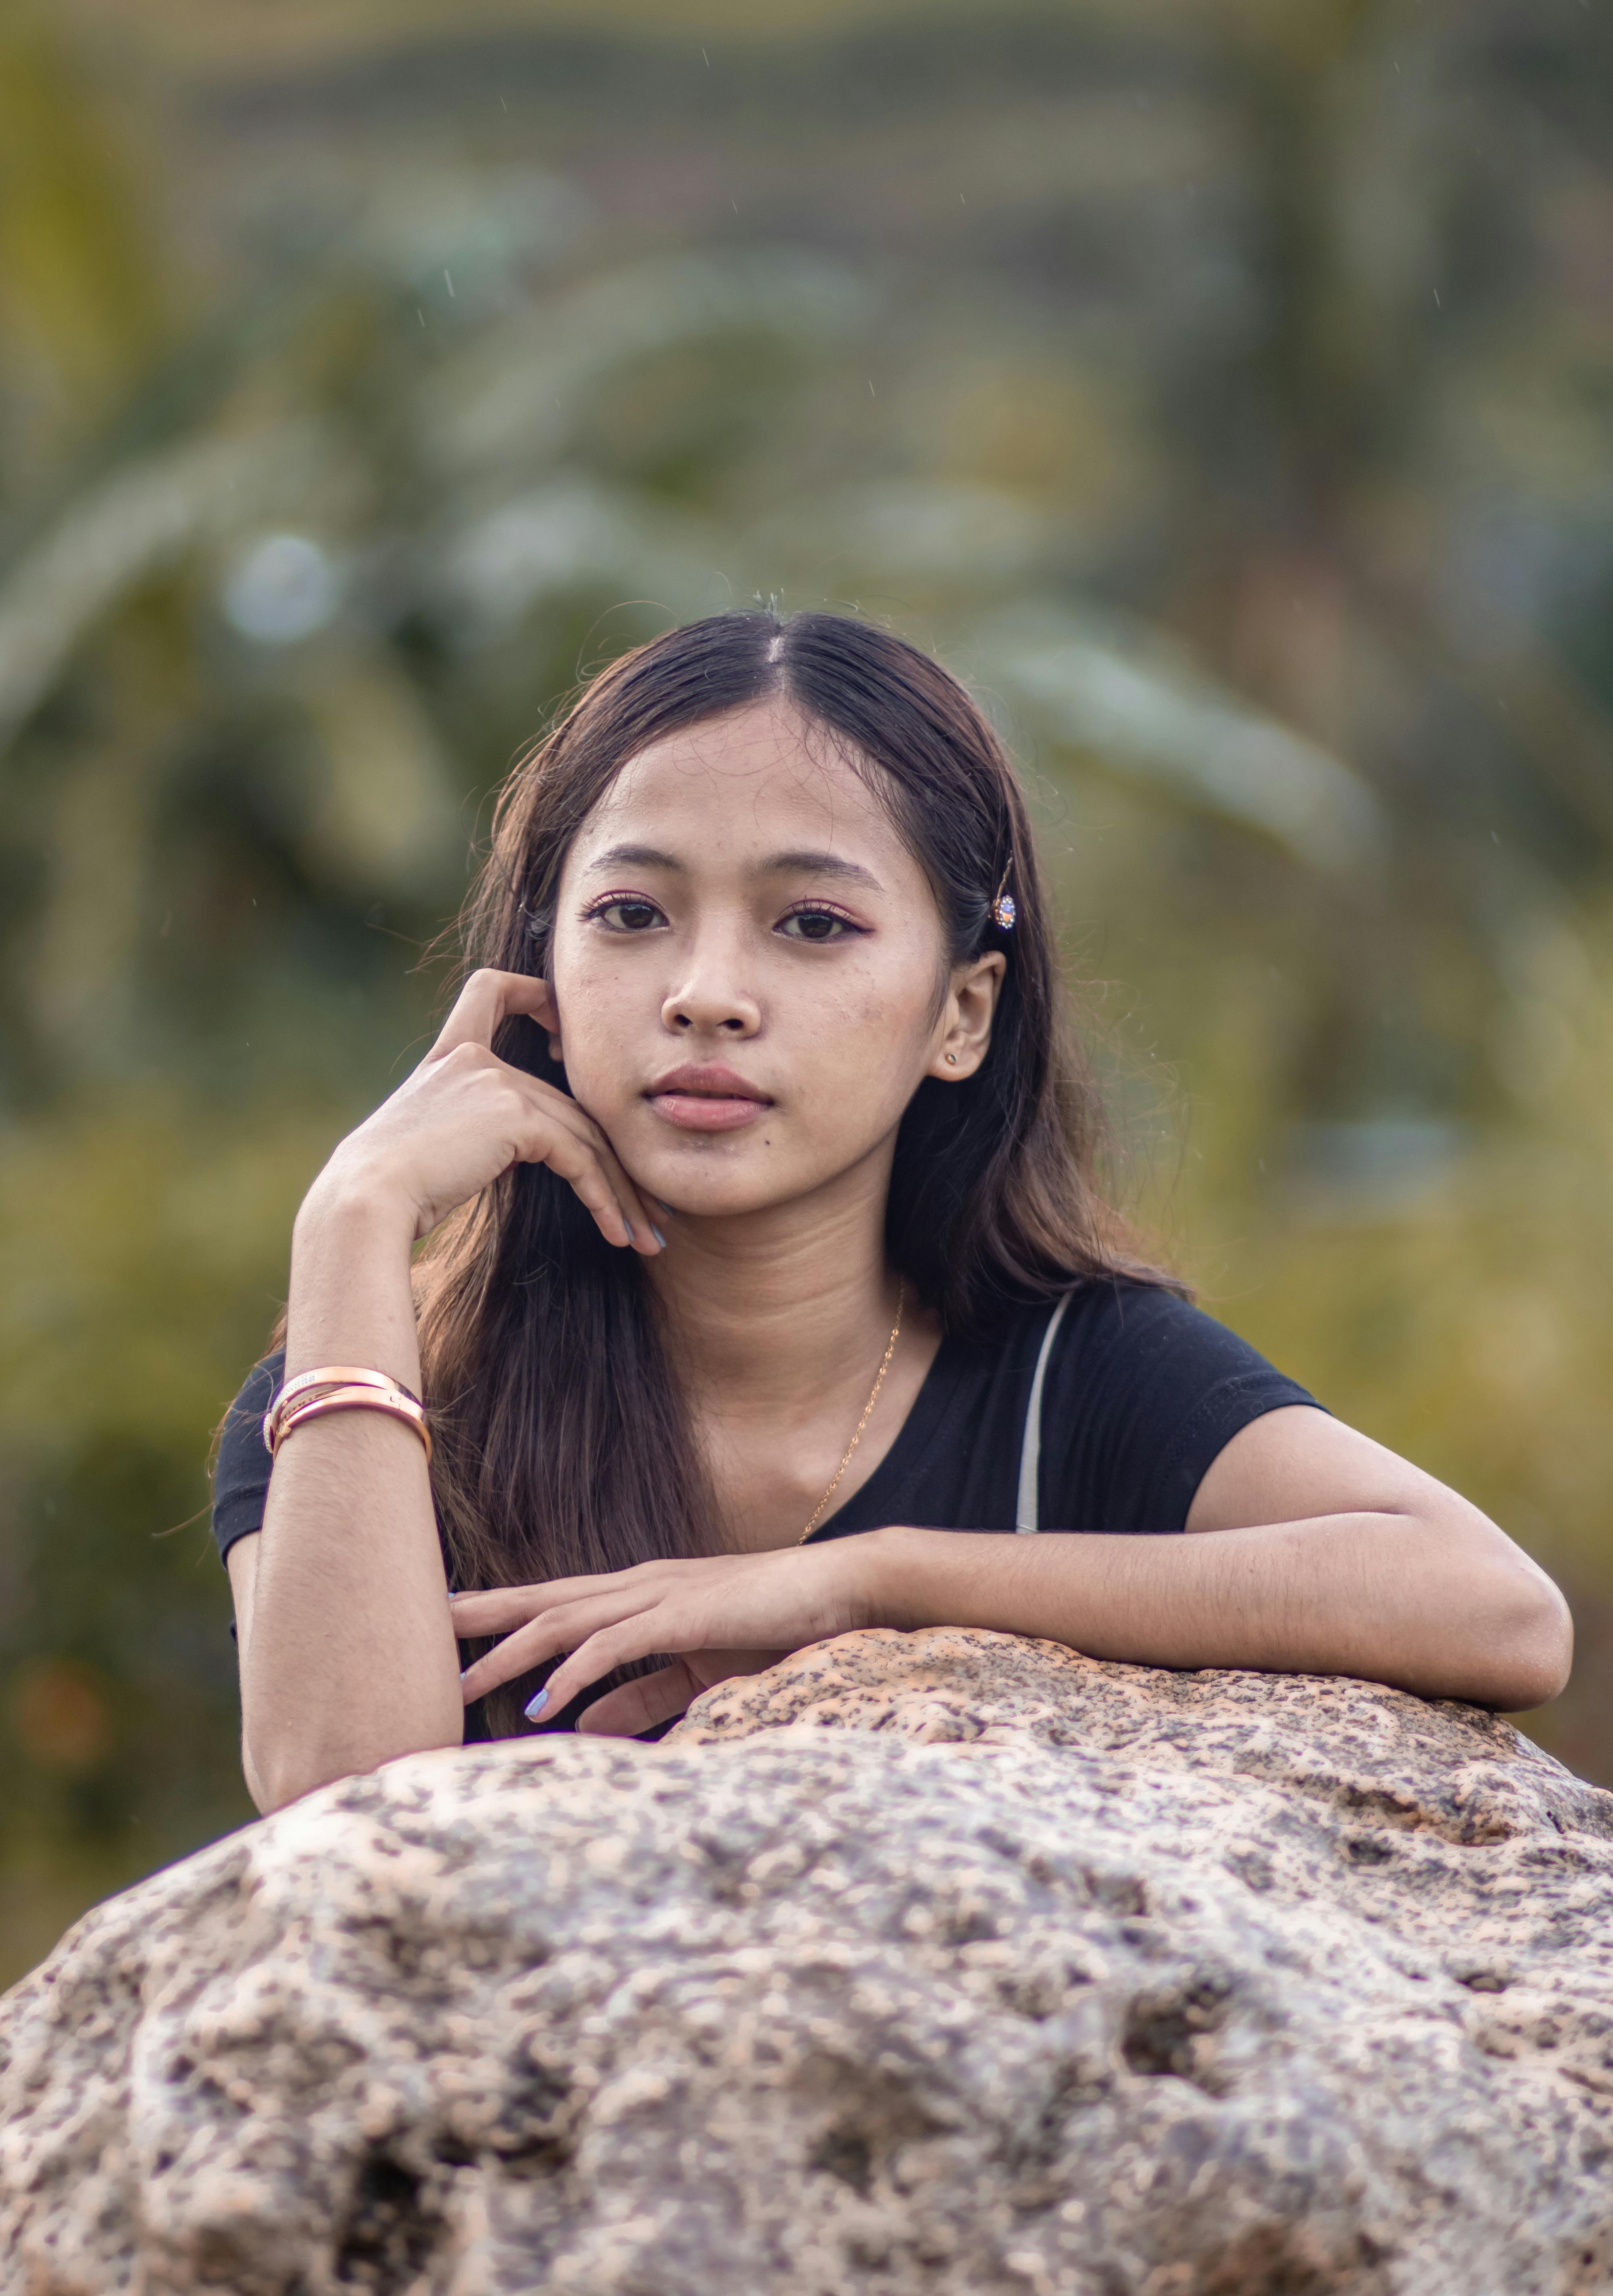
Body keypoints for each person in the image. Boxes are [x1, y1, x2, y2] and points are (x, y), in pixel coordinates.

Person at [213, 610, 1571, 1815]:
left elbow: (1497, 1611)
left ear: (961, 1014)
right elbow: (340, 1803)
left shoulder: (1067, 1378)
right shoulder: (378, 1394)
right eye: (631, 913)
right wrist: (353, 1216)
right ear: (544, 981)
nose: (706, 993)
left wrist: (873, 1584)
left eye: (812, 924)